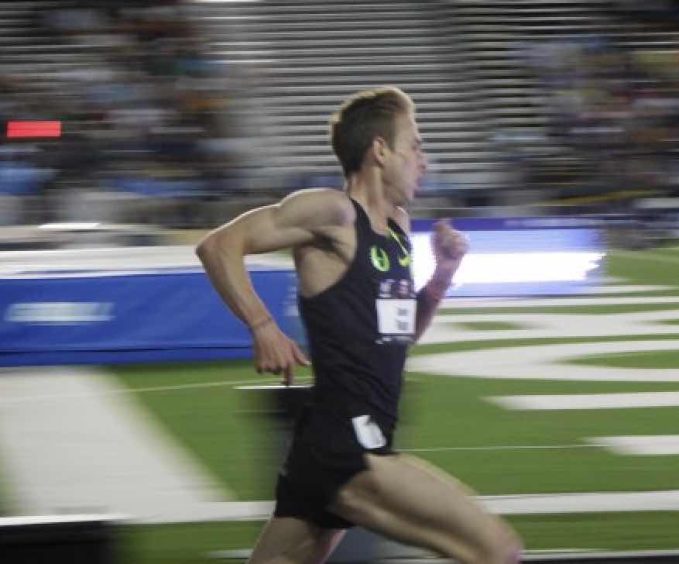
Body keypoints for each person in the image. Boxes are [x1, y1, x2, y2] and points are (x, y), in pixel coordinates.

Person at [196, 86, 523, 564]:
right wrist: (263, 326)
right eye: (415, 145)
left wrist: (441, 278)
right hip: (348, 446)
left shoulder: (398, 229)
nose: (424, 160)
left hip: (332, 445)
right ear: (379, 151)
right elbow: (219, 245)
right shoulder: (333, 213)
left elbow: (395, 337)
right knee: (496, 550)